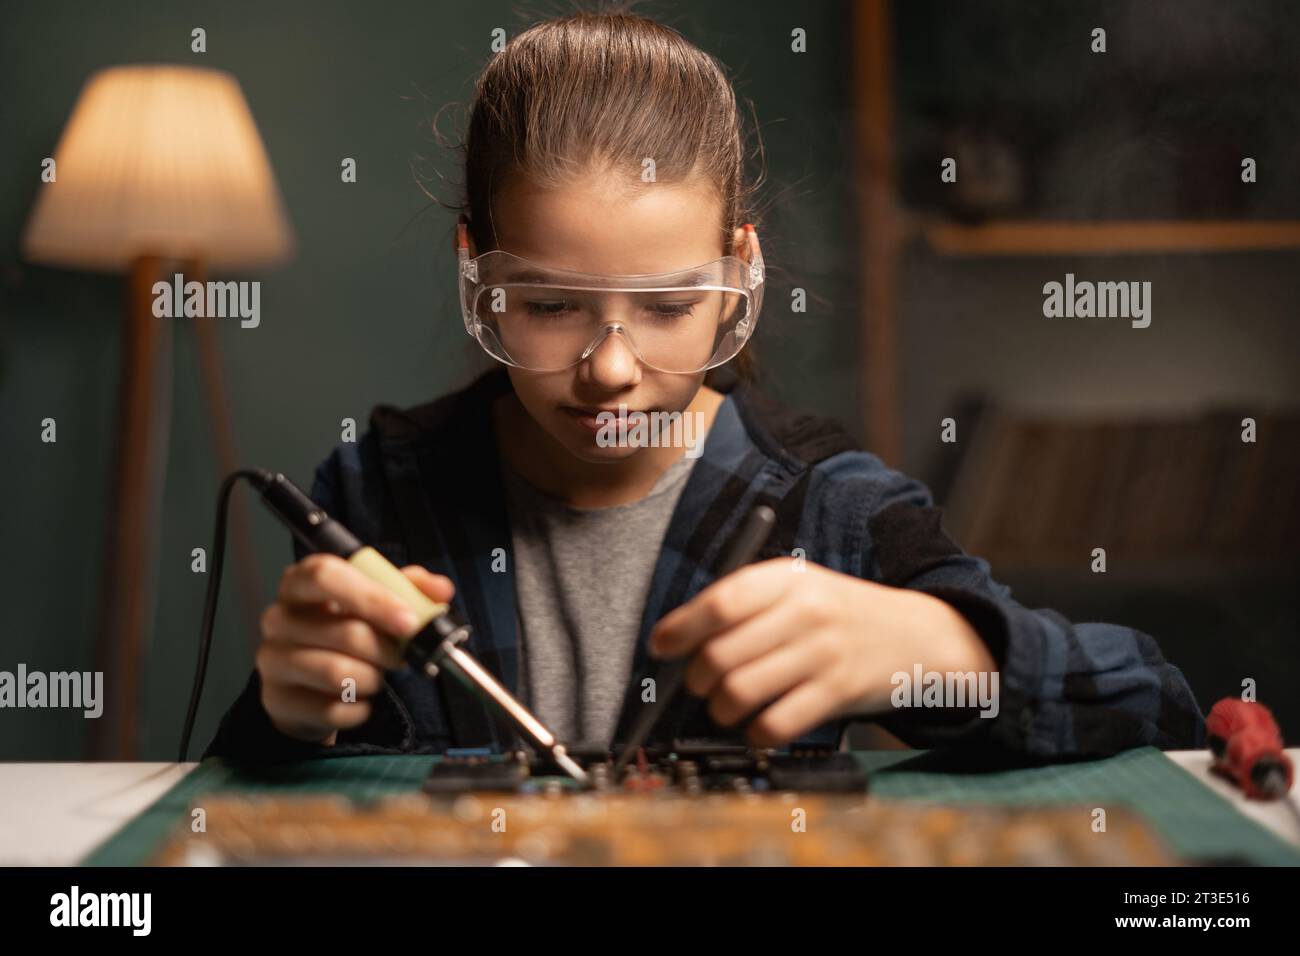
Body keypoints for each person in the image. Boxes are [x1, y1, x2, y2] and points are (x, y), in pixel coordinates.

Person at [205, 11, 1204, 763]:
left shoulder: (838, 508)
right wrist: (286, 712)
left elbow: (1157, 704)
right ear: (478, 271)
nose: (608, 368)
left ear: (739, 272)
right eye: (549, 304)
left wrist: (946, 649)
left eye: (670, 306)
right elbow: (253, 785)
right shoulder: (377, 495)